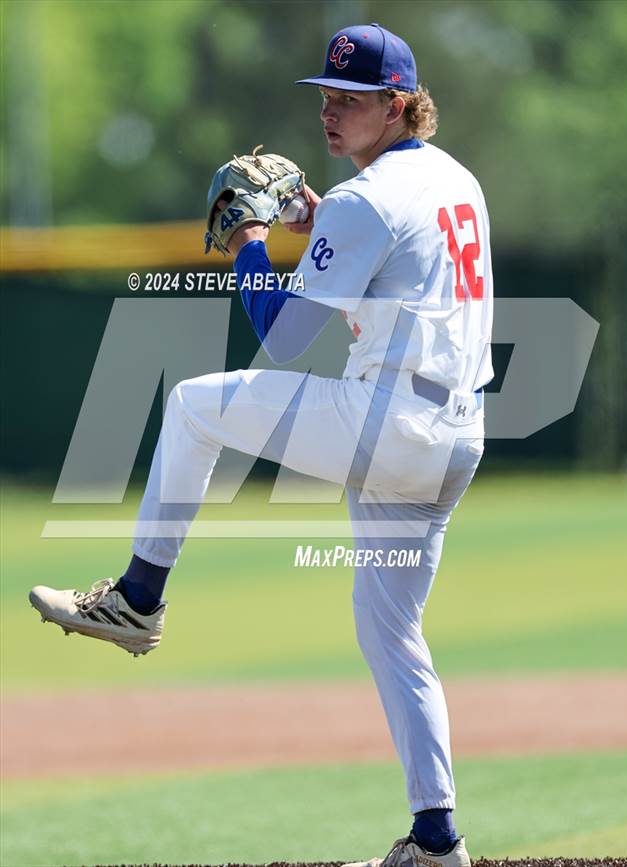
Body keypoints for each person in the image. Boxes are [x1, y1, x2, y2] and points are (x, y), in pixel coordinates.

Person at [30, 23, 493, 867]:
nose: (328, 111)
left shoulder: (367, 200)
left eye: (349, 99)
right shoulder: (453, 179)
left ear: (397, 104)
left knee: (197, 405)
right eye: (323, 95)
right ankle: (436, 840)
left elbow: (282, 337)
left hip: (387, 422)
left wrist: (250, 244)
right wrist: (320, 229)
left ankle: (137, 597)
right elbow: (394, 285)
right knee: (391, 633)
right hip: (454, 434)